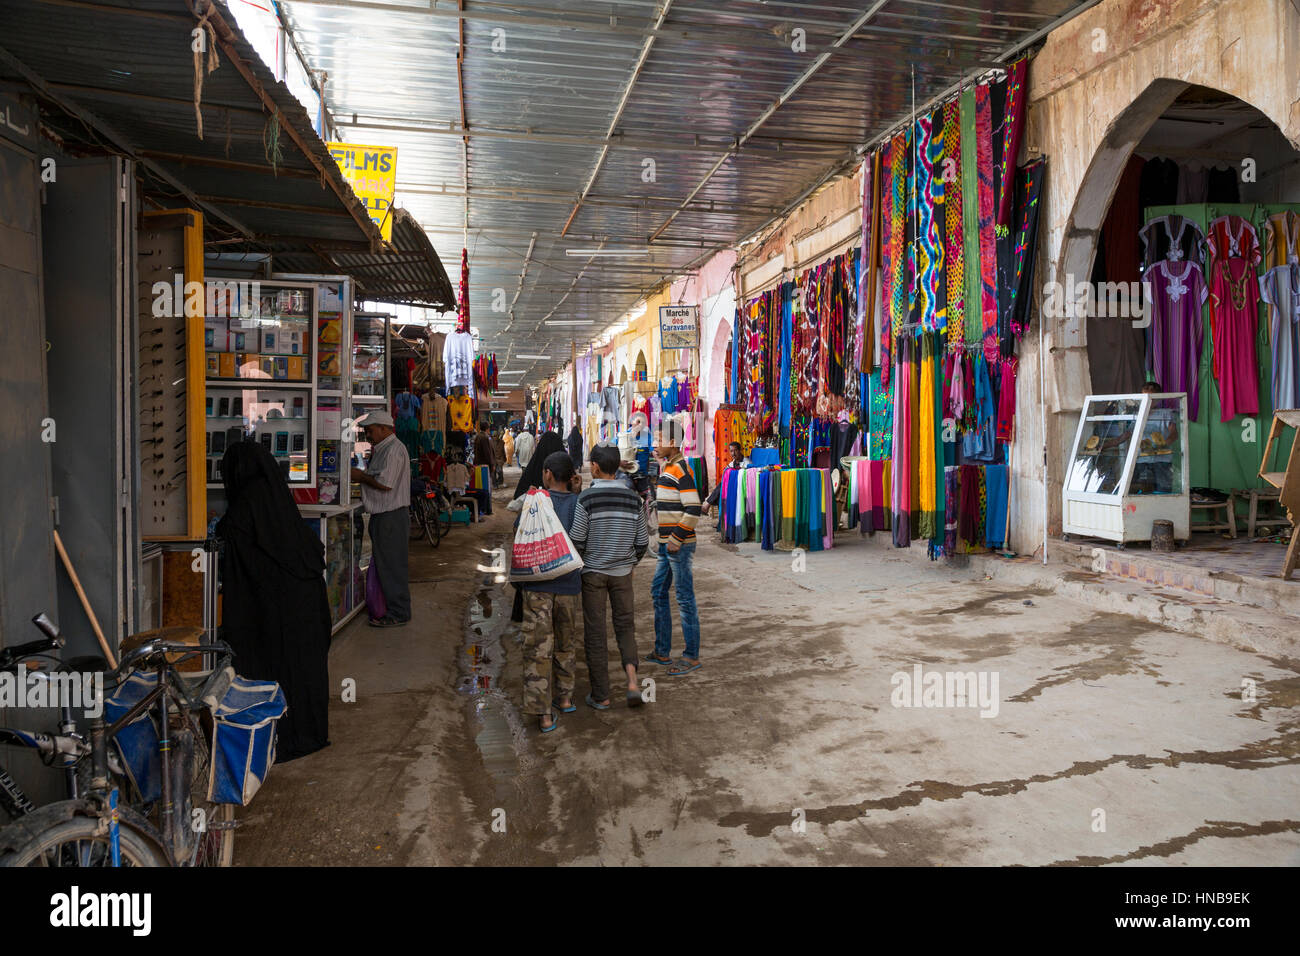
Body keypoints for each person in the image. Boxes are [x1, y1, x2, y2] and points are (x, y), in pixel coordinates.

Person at [217, 442, 331, 760]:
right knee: (305, 672)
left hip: (275, 610)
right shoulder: (278, 499)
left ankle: (278, 737)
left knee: (275, 669)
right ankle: (311, 732)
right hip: (307, 603)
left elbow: (238, 559)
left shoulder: (245, 506)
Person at [570, 443, 649, 710]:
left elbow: (577, 540)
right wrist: (629, 563)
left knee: (595, 633)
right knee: (625, 627)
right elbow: (642, 542)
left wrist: (584, 562)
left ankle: (601, 695)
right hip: (623, 574)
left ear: (594, 466)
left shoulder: (586, 499)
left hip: (592, 573)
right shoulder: (633, 499)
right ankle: (632, 683)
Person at [517, 452, 583, 733]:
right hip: (568, 585)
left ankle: (543, 714)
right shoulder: (579, 504)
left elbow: (519, 533)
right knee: (566, 643)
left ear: (546, 474)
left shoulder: (534, 502)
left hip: (538, 587)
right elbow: (582, 540)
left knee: (538, 648)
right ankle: (565, 698)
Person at [646, 423, 702, 675]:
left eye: (659, 440)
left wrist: (676, 539)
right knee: (658, 591)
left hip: (678, 546)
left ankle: (691, 656)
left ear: (673, 442)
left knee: (684, 597)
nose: (655, 444)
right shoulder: (667, 467)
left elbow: (693, 507)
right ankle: (662, 650)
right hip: (667, 545)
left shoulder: (680, 469)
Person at [350, 410, 411, 626]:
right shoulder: (383, 449)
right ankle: (392, 608)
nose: (368, 434)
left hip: (391, 517)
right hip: (384, 515)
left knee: (392, 566)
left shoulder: (393, 450)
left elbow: (385, 484)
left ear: (385, 429)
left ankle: (398, 613)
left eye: (371, 430)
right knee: (386, 565)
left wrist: (361, 477)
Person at [702, 442, 746, 518]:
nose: (733, 453)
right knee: (721, 494)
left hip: (742, 487)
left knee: (722, 486)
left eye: (735, 450)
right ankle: (723, 523)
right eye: (731, 451)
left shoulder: (747, 463)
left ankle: (707, 505)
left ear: (740, 450)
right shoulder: (732, 464)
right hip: (733, 487)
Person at [472, 422, 497, 518]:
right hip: (485, 466)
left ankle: (483, 508)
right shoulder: (485, 437)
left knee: (481, 486)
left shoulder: (478, 437)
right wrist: (492, 464)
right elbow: (488, 453)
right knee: (487, 488)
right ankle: (487, 509)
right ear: (487, 428)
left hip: (478, 465)